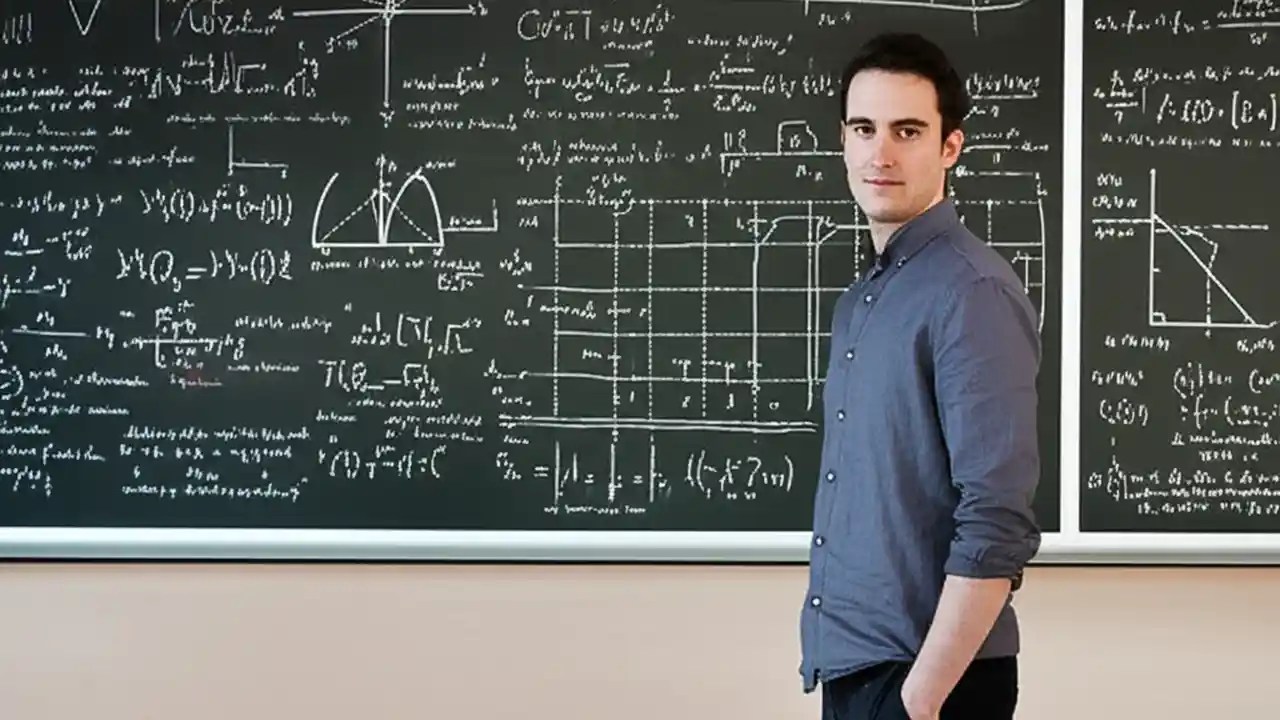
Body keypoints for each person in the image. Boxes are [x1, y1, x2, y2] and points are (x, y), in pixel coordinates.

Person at [797, 32, 1043, 720]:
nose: (880, 153)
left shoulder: (971, 293)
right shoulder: (863, 302)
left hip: (929, 682)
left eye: (908, 130)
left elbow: (996, 519)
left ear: (949, 147)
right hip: (860, 668)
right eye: (863, 128)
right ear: (842, 141)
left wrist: (918, 702)